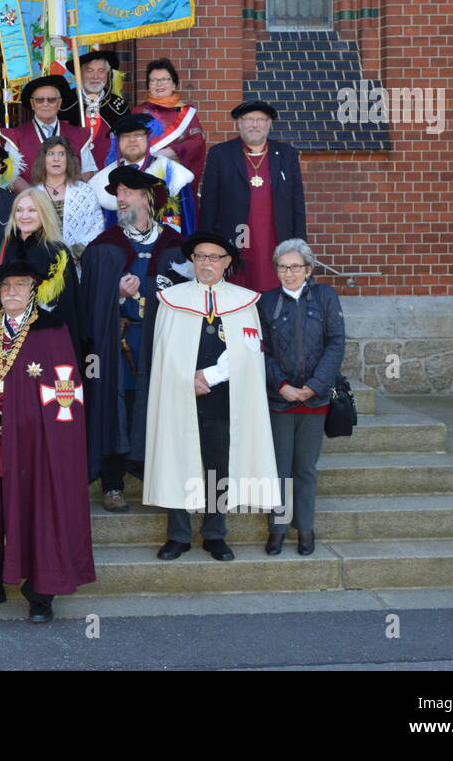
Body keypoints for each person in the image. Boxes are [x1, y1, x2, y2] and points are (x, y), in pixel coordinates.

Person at [0, 259, 95, 622]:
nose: (12, 292)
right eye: (6, 286)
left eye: (20, 285)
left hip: (37, 441)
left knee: (38, 507)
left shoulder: (51, 329)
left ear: (33, 289)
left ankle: (41, 593)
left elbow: (66, 386)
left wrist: (56, 436)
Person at [144, 231, 279, 562]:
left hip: (224, 396)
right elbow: (162, 352)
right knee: (179, 460)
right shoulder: (171, 299)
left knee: (218, 465)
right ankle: (178, 535)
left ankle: (215, 533)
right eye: (200, 256)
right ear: (192, 261)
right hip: (180, 394)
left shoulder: (245, 301)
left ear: (227, 262)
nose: (206, 263)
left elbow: (249, 350)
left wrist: (210, 376)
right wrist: (185, 379)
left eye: (214, 257)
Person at [79, 168, 185, 512]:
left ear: (145, 197)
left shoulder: (175, 245)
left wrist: (153, 287)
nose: (120, 199)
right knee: (117, 405)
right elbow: (91, 297)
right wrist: (118, 295)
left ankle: (153, 477)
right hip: (119, 342)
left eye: (126, 192)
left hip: (160, 342)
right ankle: (113, 483)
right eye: (118, 193)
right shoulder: (105, 245)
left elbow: (185, 295)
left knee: (155, 405)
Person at [260, 239, 344, 556]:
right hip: (280, 398)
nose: (289, 273)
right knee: (280, 468)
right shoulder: (266, 302)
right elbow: (260, 350)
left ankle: (305, 528)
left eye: (296, 267)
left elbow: (336, 343)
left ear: (308, 269)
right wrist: (281, 385)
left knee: (305, 467)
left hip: (314, 399)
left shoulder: (324, 297)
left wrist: (314, 385)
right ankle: (278, 529)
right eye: (283, 267)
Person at [199, 101, 306, 292]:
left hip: (275, 237)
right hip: (239, 237)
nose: (254, 124)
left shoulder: (286, 154)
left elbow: (297, 204)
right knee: (238, 288)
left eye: (260, 120)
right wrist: (208, 247)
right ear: (239, 123)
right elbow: (209, 205)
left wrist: (300, 246)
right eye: (248, 119)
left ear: (269, 124)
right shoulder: (220, 154)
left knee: (276, 289)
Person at [0, 188, 81, 354]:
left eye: (32, 210)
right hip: (7, 335)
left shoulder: (57, 251)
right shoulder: (7, 246)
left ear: (44, 213)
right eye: (19, 210)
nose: (24, 216)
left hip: (46, 338)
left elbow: (67, 306)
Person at [90, 113, 196, 234]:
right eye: (125, 136)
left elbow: (186, 225)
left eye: (138, 135)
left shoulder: (174, 175)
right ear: (117, 142)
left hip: (162, 248)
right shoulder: (100, 181)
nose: (132, 140)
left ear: (148, 139)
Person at [132, 58, 208, 202]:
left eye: (164, 79)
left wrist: (172, 152)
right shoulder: (138, 112)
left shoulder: (186, 114)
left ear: (174, 84)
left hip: (176, 178)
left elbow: (197, 142)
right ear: (148, 85)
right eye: (153, 80)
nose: (159, 84)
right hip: (145, 178)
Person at [0, 74, 96, 187]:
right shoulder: (15, 136)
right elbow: (11, 176)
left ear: (59, 103)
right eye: (40, 100)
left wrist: (70, 194)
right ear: (32, 104)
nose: (45, 104)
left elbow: (88, 171)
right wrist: (35, 198)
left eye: (51, 100)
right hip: (31, 201)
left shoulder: (78, 135)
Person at [31, 135, 102, 257]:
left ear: (68, 159)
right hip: (43, 264)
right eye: (51, 154)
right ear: (43, 159)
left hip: (80, 264)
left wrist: (76, 253)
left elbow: (97, 227)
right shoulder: (33, 194)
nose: (56, 159)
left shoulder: (85, 191)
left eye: (61, 154)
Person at [60, 49, 129, 167]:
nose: (95, 76)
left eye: (101, 71)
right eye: (89, 71)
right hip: (71, 174)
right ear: (80, 73)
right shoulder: (64, 104)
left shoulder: (119, 107)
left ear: (107, 74)